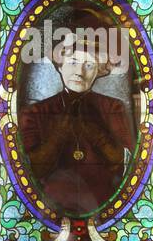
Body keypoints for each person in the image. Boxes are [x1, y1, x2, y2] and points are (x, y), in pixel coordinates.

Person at [18, 25, 136, 216]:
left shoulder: (113, 108)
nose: (79, 72)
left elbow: (129, 164)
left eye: (89, 65)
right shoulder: (35, 113)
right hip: (48, 209)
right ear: (60, 65)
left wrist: (94, 132)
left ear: (98, 71)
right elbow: (29, 170)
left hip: (105, 208)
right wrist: (60, 133)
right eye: (72, 62)